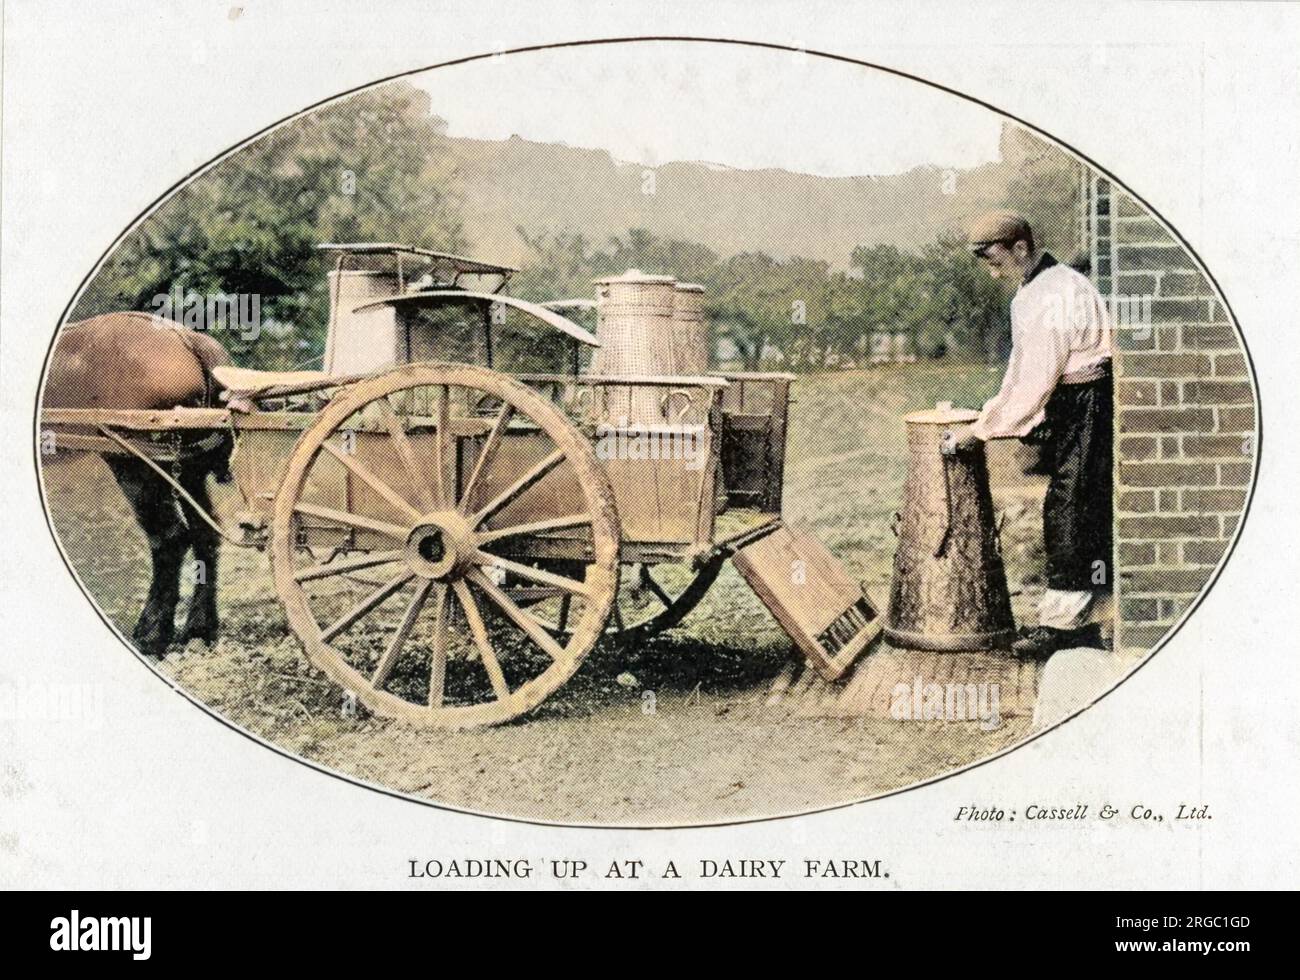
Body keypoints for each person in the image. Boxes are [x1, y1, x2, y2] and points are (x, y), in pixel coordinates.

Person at [956, 209, 1114, 658]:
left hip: (1089, 402)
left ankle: (1065, 628)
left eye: (995, 259)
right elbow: (1019, 370)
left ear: (1021, 249)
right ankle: (1079, 621)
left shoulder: (1057, 291)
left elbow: (1037, 378)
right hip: (1070, 400)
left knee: (1072, 509)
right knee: (1070, 508)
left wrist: (984, 432)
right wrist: (990, 416)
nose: (993, 270)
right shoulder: (1031, 291)